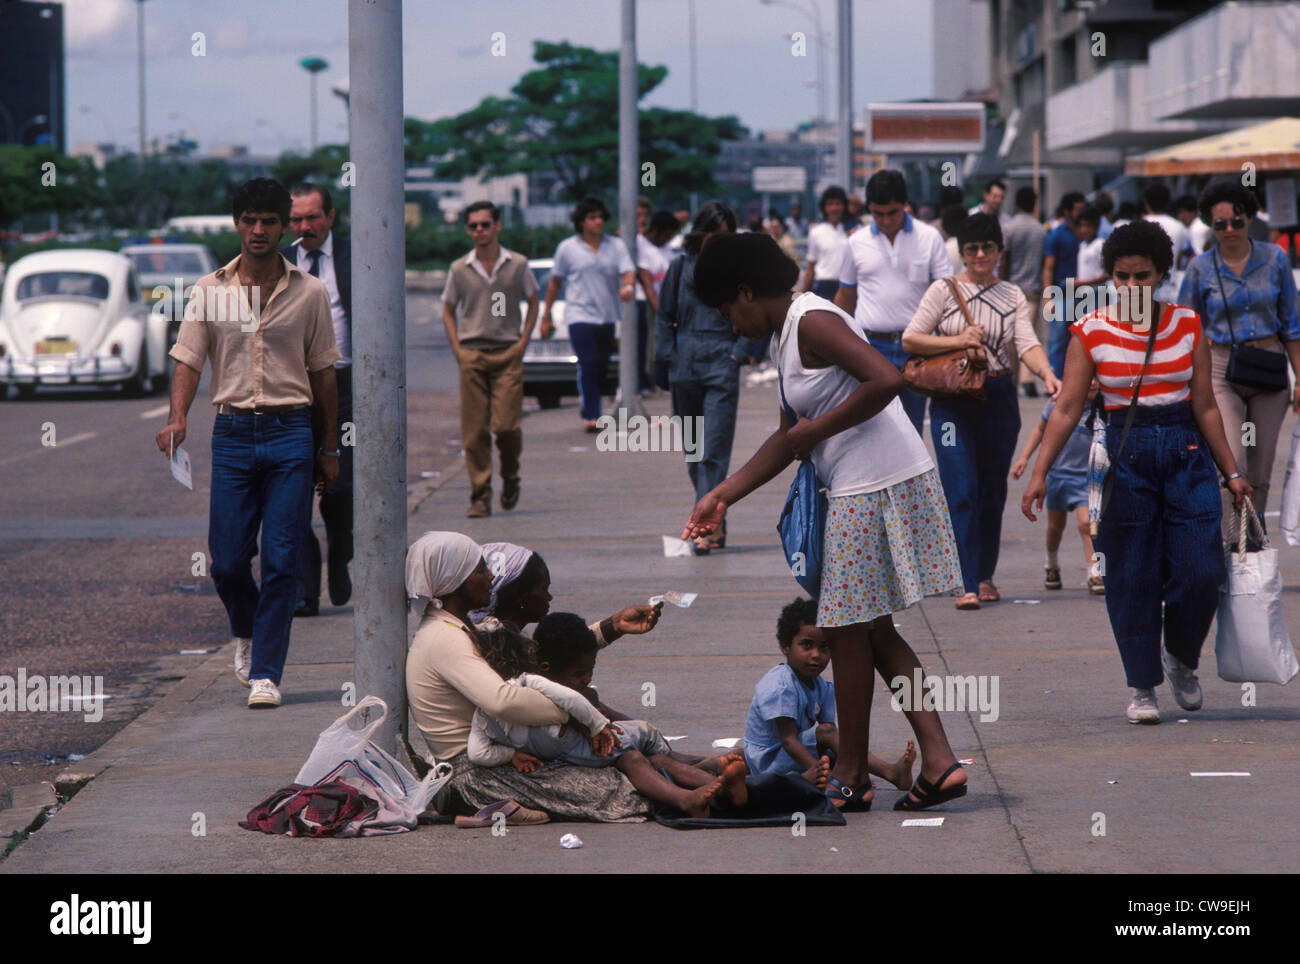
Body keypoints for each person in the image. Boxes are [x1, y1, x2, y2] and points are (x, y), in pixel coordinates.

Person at [684, 231, 969, 811]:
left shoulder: (812, 319)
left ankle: (854, 772)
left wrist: (819, 430)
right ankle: (938, 761)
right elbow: (789, 436)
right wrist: (724, 494)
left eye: (725, 308)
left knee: (846, 631)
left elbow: (886, 380)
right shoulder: (784, 337)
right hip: (872, 485)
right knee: (875, 631)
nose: (727, 320)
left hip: (876, 486)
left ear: (745, 291)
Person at [1022, 221, 1252, 724]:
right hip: (1123, 456)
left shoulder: (1188, 325)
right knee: (1131, 575)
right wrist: (1039, 475)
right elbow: (1066, 409)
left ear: (1163, 275)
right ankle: (1143, 685)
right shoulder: (1090, 332)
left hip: (1186, 452)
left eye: (1142, 276)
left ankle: (1182, 658)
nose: (1131, 287)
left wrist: (1232, 472)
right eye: (1121, 277)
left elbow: (1207, 407)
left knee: (1202, 570)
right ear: (1108, 277)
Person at [156, 177, 339, 709]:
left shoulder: (309, 292)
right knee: (230, 562)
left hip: (291, 435)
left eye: (269, 222)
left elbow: (324, 371)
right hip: (233, 434)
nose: (259, 230)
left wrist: (329, 449)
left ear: (285, 228)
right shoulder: (210, 290)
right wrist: (177, 419)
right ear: (237, 224)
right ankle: (246, 628)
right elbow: (189, 357)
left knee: (281, 560)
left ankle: (266, 672)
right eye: (249, 220)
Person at [405, 531, 662, 821]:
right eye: (479, 570)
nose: (490, 576)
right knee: (623, 792)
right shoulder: (443, 638)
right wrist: (575, 712)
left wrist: (611, 627)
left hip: (497, 758)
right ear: (454, 582)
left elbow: (531, 660)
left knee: (634, 769)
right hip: (474, 778)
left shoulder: (453, 628)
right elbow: (503, 702)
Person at [903, 213, 1062, 610]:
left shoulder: (1011, 295)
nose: (979, 255)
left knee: (991, 492)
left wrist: (1046, 373)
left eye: (986, 248)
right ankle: (967, 580)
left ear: (998, 252)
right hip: (952, 402)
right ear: (962, 252)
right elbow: (911, 338)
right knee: (961, 490)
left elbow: (1026, 342)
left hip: (998, 399)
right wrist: (957, 339)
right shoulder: (943, 290)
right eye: (971, 248)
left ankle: (985, 574)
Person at [467, 618, 748, 817]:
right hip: (594, 749)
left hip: (596, 744)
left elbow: (477, 751)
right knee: (640, 757)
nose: (587, 678)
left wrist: (508, 755)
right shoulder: (528, 682)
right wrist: (599, 726)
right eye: (580, 673)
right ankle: (702, 788)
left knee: (655, 757)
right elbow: (573, 700)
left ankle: (712, 773)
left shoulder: (483, 713)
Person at [1177, 177, 1300, 536]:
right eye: (1219, 224)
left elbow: (1293, 325)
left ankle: (1253, 537)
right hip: (1220, 369)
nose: (1229, 229)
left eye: (1237, 221)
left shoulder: (1274, 258)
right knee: (1233, 461)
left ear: (1249, 218)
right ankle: (1234, 538)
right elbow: (1187, 327)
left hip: (1268, 366)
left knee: (1261, 469)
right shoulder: (1201, 268)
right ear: (1209, 224)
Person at [743, 597, 916, 799]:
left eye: (824, 647)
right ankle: (887, 772)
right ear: (785, 647)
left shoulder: (821, 686)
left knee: (838, 738)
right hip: (769, 761)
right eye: (807, 645)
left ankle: (872, 773)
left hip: (791, 754)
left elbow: (833, 738)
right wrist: (819, 771)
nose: (816, 655)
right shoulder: (779, 686)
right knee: (827, 734)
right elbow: (789, 740)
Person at [835, 168, 955, 436]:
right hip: (870, 346)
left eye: (892, 212)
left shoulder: (929, 238)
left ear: (905, 205)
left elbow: (948, 294)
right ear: (869, 208)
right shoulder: (856, 242)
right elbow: (845, 297)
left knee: (910, 433)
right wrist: (835, 348)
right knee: (869, 430)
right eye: (878, 213)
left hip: (917, 348)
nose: (886, 220)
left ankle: (907, 480)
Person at [282, 183, 354, 617]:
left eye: (312, 218)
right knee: (291, 493)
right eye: (297, 220)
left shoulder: (355, 254)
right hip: (293, 391)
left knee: (340, 489)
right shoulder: (281, 262)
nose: (304, 227)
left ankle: (340, 552)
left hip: (345, 390)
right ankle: (305, 590)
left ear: (330, 217)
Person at [442, 201, 538, 518]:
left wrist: (523, 341)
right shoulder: (459, 269)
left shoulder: (518, 264)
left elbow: (533, 300)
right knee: (474, 431)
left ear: (497, 226)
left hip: (507, 352)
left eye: (485, 224)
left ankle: (510, 475)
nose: (479, 231)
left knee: (507, 427)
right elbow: (448, 308)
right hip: (471, 353)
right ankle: (480, 495)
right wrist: (457, 349)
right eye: (473, 226)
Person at [655, 201, 740, 554]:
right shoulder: (680, 266)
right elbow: (664, 315)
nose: (719, 243)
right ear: (700, 234)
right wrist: (665, 356)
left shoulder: (739, 269)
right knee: (693, 451)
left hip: (722, 359)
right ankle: (714, 513)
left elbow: (763, 309)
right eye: (714, 236)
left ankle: (705, 526)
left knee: (713, 452)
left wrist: (740, 351)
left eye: (726, 237)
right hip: (685, 363)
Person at [542, 196, 635, 432]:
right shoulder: (567, 248)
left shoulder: (615, 246)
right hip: (578, 314)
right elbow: (554, 283)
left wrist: (628, 287)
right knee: (589, 362)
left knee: (602, 365)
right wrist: (547, 315)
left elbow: (628, 272)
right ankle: (591, 415)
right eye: (592, 218)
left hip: (606, 315)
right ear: (582, 222)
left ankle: (594, 408)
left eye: (600, 217)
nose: (597, 222)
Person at [1012, 378, 1105, 594]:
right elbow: (1039, 430)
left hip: (1087, 477)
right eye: (1087, 376)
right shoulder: (1059, 402)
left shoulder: (1103, 407)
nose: (1091, 382)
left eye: (1096, 377)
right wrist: (1024, 458)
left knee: (1087, 524)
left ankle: (1095, 571)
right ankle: (1051, 563)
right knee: (1055, 527)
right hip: (1058, 476)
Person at [1000, 186, 1049, 396]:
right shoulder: (1041, 230)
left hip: (1012, 289)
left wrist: (1000, 285)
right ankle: (1028, 379)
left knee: (1011, 339)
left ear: (1017, 203)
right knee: (1030, 336)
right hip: (1033, 290)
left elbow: (1004, 260)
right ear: (1034, 205)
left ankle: (1013, 377)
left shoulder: (1009, 228)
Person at [1042, 191, 1086, 378]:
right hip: (1061, 294)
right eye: (1077, 210)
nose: (1080, 213)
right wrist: (1047, 297)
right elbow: (1048, 267)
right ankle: (1056, 380)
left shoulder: (1086, 233)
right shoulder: (1057, 235)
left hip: (1085, 294)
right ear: (1067, 211)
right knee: (1058, 341)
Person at [633, 197, 669, 397]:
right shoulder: (628, 239)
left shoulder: (651, 240)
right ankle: (637, 383)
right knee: (639, 344)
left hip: (654, 297)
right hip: (637, 299)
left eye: (646, 215)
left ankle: (651, 381)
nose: (642, 219)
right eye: (638, 215)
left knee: (651, 343)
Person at [800, 186, 850, 299]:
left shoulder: (852, 231)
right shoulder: (816, 231)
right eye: (830, 204)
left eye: (838, 203)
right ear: (824, 207)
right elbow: (811, 266)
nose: (834, 208)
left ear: (844, 206)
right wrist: (802, 296)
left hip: (846, 286)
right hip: (823, 287)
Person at [1141, 182, 1194, 273]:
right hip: (1171, 282)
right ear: (1167, 202)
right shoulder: (1179, 227)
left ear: (1146, 202)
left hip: (1143, 285)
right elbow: (1186, 257)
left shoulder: (1137, 227)